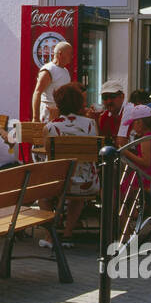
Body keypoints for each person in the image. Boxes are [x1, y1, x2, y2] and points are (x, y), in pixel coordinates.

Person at [41, 82, 98, 246]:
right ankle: (68, 233)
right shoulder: (91, 124)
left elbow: (49, 155)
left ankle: (49, 235)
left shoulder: (50, 127)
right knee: (77, 196)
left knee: (42, 195)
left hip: (59, 184)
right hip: (86, 183)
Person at [32, 41, 73, 122]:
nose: (71, 56)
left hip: (62, 114)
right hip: (48, 115)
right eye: (69, 53)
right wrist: (35, 118)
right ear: (60, 54)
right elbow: (37, 93)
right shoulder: (48, 70)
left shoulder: (66, 71)